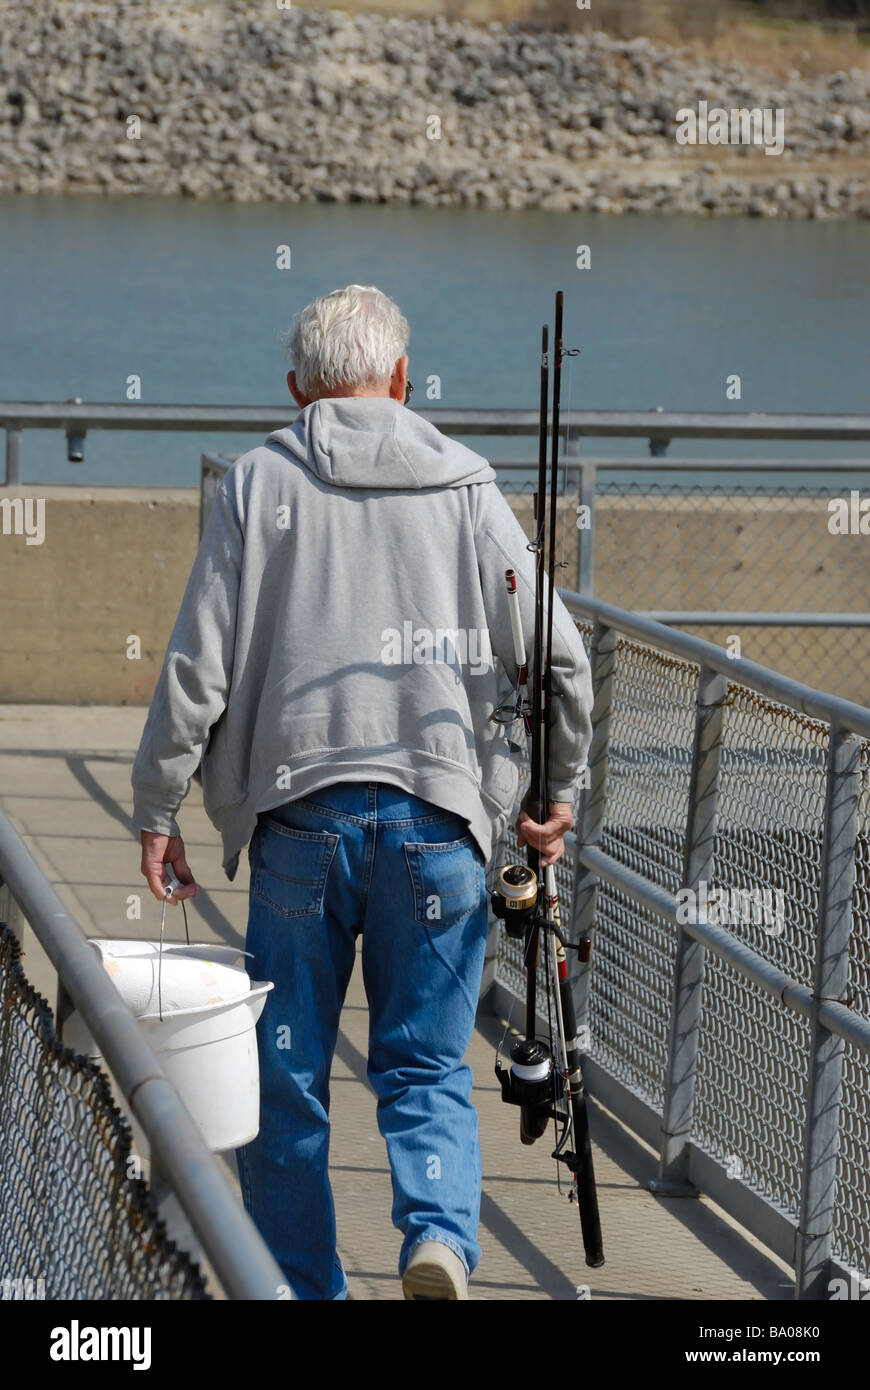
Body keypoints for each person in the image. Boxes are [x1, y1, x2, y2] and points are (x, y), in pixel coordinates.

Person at [131, 284, 593, 1300]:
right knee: (424, 1064)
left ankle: (300, 1287)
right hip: (438, 821)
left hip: (301, 823)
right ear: (401, 382)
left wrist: (156, 806)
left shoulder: (256, 484)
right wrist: (559, 791)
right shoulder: (468, 486)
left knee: (285, 1076)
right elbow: (556, 655)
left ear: (297, 387)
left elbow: (196, 671)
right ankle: (435, 1234)